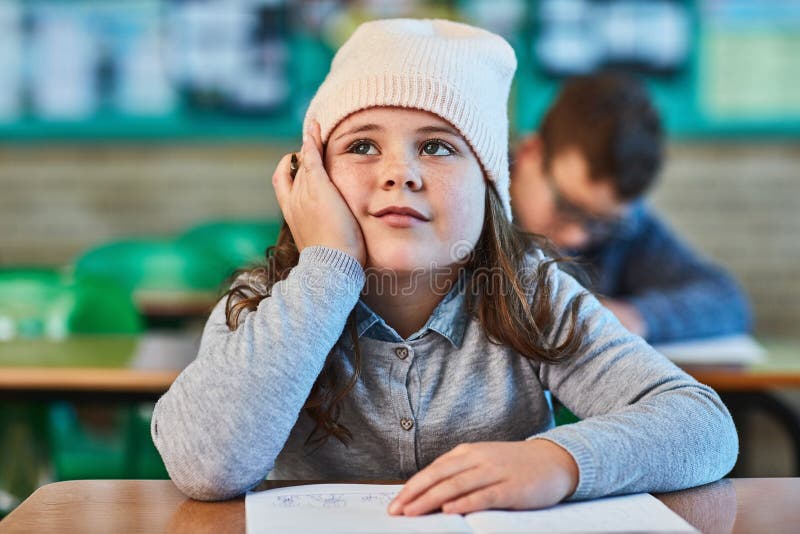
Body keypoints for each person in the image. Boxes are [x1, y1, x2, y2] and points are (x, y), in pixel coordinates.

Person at [151, 19, 738, 516]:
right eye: (361, 146)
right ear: (312, 179)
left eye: (436, 146)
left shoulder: (531, 294)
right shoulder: (265, 299)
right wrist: (327, 269)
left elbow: (703, 426)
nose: (400, 172)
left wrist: (557, 461)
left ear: (490, 188)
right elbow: (206, 468)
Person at [510, 74, 751, 343]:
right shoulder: (473, 204)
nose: (577, 238)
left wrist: (634, 317)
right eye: (567, 206)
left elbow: (725, 301)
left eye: (602, 223)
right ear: (529, 153)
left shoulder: (627, 229)